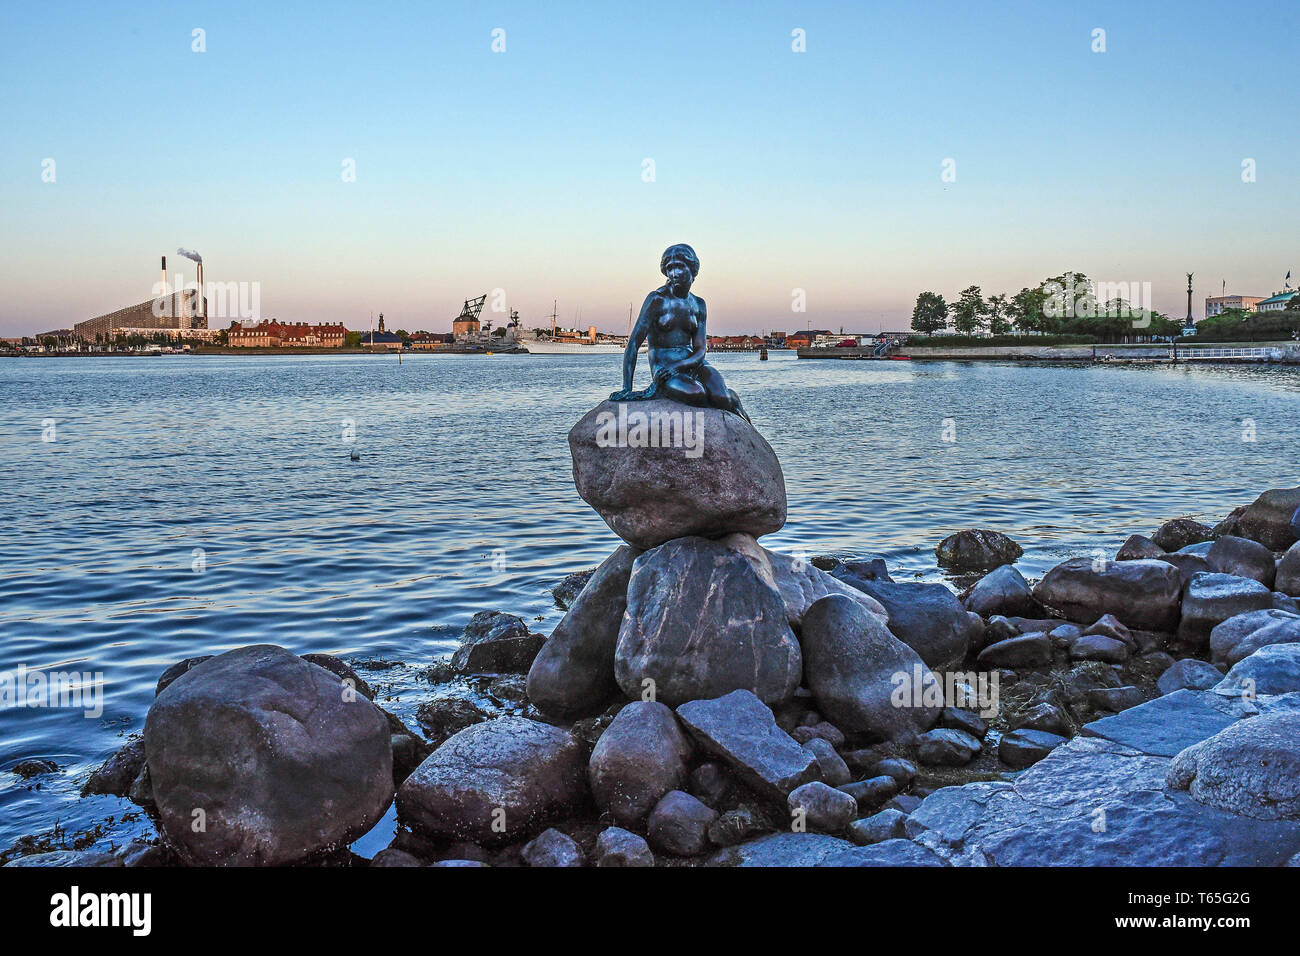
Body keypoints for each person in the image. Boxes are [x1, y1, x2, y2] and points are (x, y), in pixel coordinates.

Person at [610, 243, 749, 421]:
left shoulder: (698, 304)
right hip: (664, 368)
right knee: (696, 393)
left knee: (721, 397)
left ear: (692, 269)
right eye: (669, 268)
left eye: (679, 267)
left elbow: (700, 350)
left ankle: (733, 402)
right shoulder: (657, 300)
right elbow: (633, 345)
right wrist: (626, 389)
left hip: (693, 364)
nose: (673, 273)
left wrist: (679, 366)